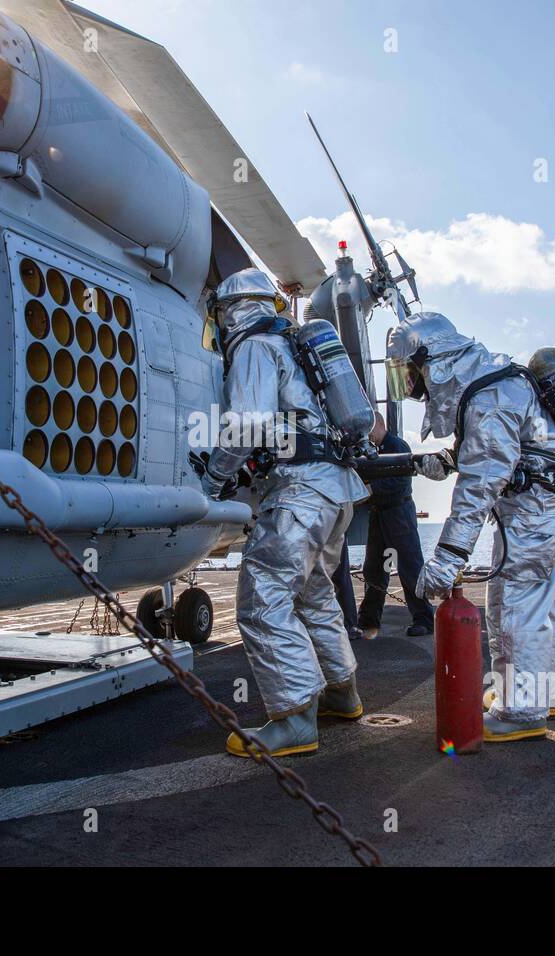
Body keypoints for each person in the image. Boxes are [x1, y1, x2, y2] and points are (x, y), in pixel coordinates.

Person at [386, 312, 555, 743]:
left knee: (514, 601)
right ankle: (541, 693)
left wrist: (445, 559)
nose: (411, 385)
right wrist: (445, 460)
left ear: (431, 361)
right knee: (545, 601)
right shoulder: (490, 379)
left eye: (409, 372)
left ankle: (520, 712)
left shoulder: (488, 395)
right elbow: (499, 446)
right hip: (553, 498)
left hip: (536, 505)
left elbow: (479, 486)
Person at [199, 268, 368, 758]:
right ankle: (342, 692)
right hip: (335, 490)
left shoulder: (255, 345)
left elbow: (248, 421)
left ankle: (294, 719)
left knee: (263, 596)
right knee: (314, 594)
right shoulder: (298, 346)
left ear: (231, 312)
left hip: (299, 491)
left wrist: (214, 480)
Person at [357, 413, 435, 639]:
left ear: (380, 425)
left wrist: (370, 490)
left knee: (410, 567)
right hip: (380, 513)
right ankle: (369, 619)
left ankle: (424, 619)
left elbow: (400, 479)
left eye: (370, 429)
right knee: (374, 569)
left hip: (398, 512)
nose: (367, 435)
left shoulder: (397, 445)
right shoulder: (375, 450)